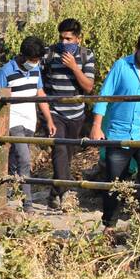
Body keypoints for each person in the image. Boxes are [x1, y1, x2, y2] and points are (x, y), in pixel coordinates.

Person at [89, 30, 140, 228]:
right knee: (114, 184)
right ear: (137, 48)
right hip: (119, 132)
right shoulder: (121, 66)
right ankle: (109, 226)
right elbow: (104, 96)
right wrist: (96, 126)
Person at [0, 37, 56, 213]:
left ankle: (7, 189)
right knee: (24, 158)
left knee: (16, 158)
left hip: (29, 120)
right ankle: (27, 203)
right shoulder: (7, 71)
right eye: (33, 60)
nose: (35, 63)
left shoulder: (36, 68)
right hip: (12, 120)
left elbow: (40, 93)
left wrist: (49, 119)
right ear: (23, 56)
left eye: (37, 60)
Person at [40, 18, 97, 211]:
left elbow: (88, 87)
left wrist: (74, 67)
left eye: (69, 39)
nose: (64, 43)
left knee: (67, 156)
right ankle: (66, 194)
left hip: (76, 114)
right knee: (59, 150)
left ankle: (54, 194)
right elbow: (39, 81)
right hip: (55, 112)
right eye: (62, 38)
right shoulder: (49, 53)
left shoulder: (86, 55)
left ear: (78, 39)